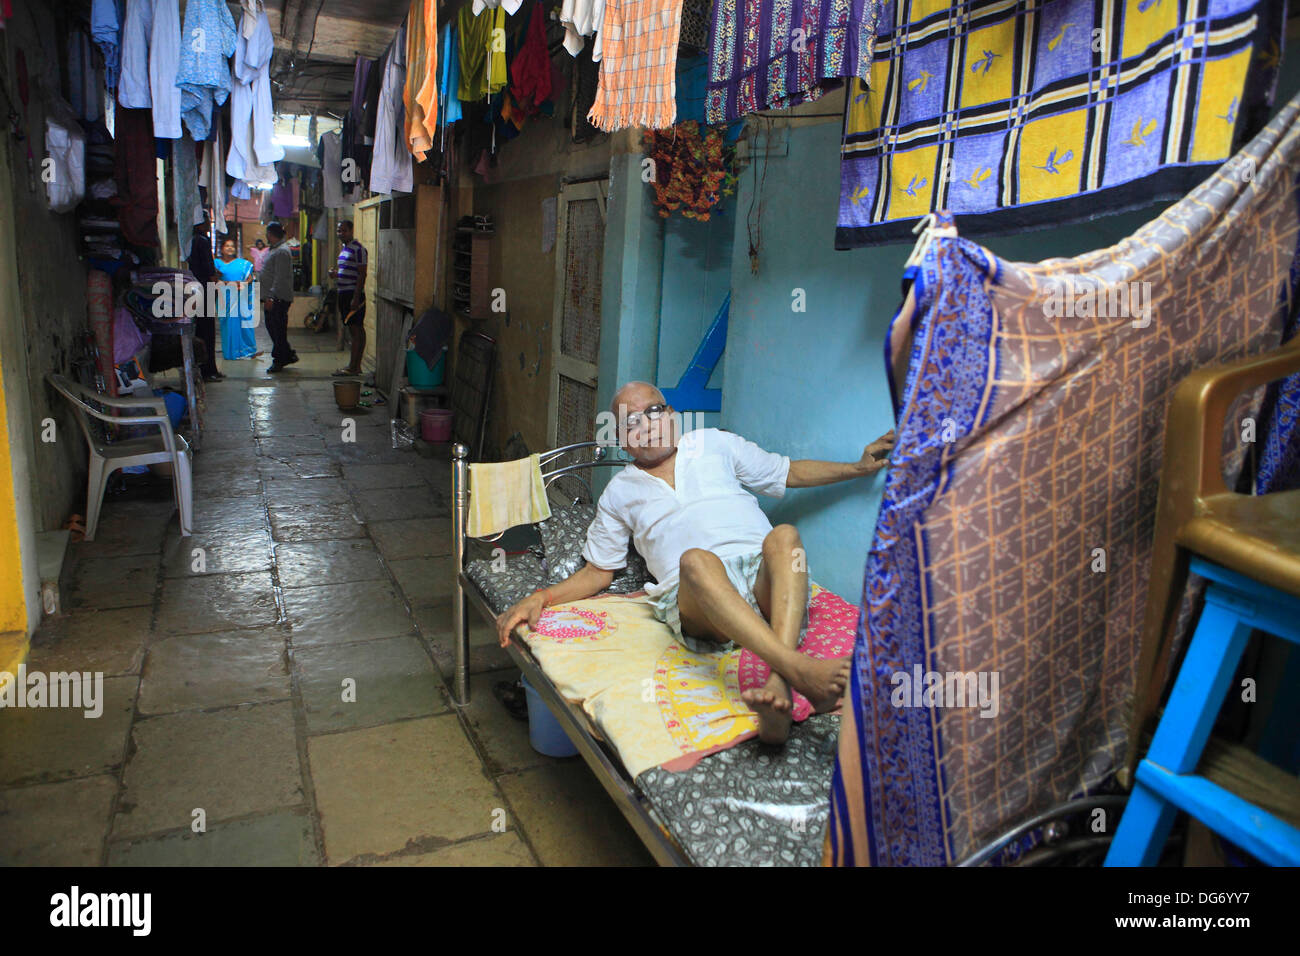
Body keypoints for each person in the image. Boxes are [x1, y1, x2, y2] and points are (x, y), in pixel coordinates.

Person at [496, 382, 896, 745]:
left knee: (785, 536)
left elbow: (787, 472)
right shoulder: (618, 492)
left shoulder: (715, 444)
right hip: (699, 599)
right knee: (696, 561)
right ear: (622, 440)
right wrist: (542, 596)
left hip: (762, 579)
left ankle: (779, 682)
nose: (648, 425)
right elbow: (599, 571)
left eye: (654, 411)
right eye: (632, 421)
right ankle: (800, 670)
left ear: (671, 416)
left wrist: (858, 468)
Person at [330, 219, 369, 376]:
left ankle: (353, 367)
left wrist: (356, 297)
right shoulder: (345, 249)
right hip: (343, 293)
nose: (341, 234)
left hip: (353, 294)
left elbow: (362, 274)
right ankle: (355, 366)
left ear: (352, 231)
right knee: (355, 329)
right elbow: (346, 270)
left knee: (356, 330)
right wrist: (335, 274)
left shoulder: (359, 249)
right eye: (339, 231)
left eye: (344, 231)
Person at [186, 215, 222, 381]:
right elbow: (209, 269)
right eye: (207, 221)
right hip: (205, 289)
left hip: (194, 289)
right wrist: (215, 280)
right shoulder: (203, 241)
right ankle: (208, 370)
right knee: (207, 331)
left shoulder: (190, 240)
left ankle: (203, 369)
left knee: (200, 329)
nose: (209, 224)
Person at [260, 222, 299, 373]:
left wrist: (271, 297)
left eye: (267, 233)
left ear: (271, 234)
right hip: (273, 296)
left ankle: (279, 359)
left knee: (277, 329)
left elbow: (280, 277)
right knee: (273, 327)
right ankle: (287, 354)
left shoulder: (282, 251)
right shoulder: (275, 250)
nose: (266, 236)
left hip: (278, 298)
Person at [213, 237, 260, 360]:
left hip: (239, 297)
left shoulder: (242, 263)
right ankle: (231, 352)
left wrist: (243, 284)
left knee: (244, 323)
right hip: (225, 297)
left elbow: (250, 277)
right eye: (227, 246)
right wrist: (229, 283)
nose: (230, 248)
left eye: (232, 246)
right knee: (227, 324)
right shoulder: (216, 263)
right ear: (222, 249)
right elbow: (214, 279)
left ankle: (247, 350)